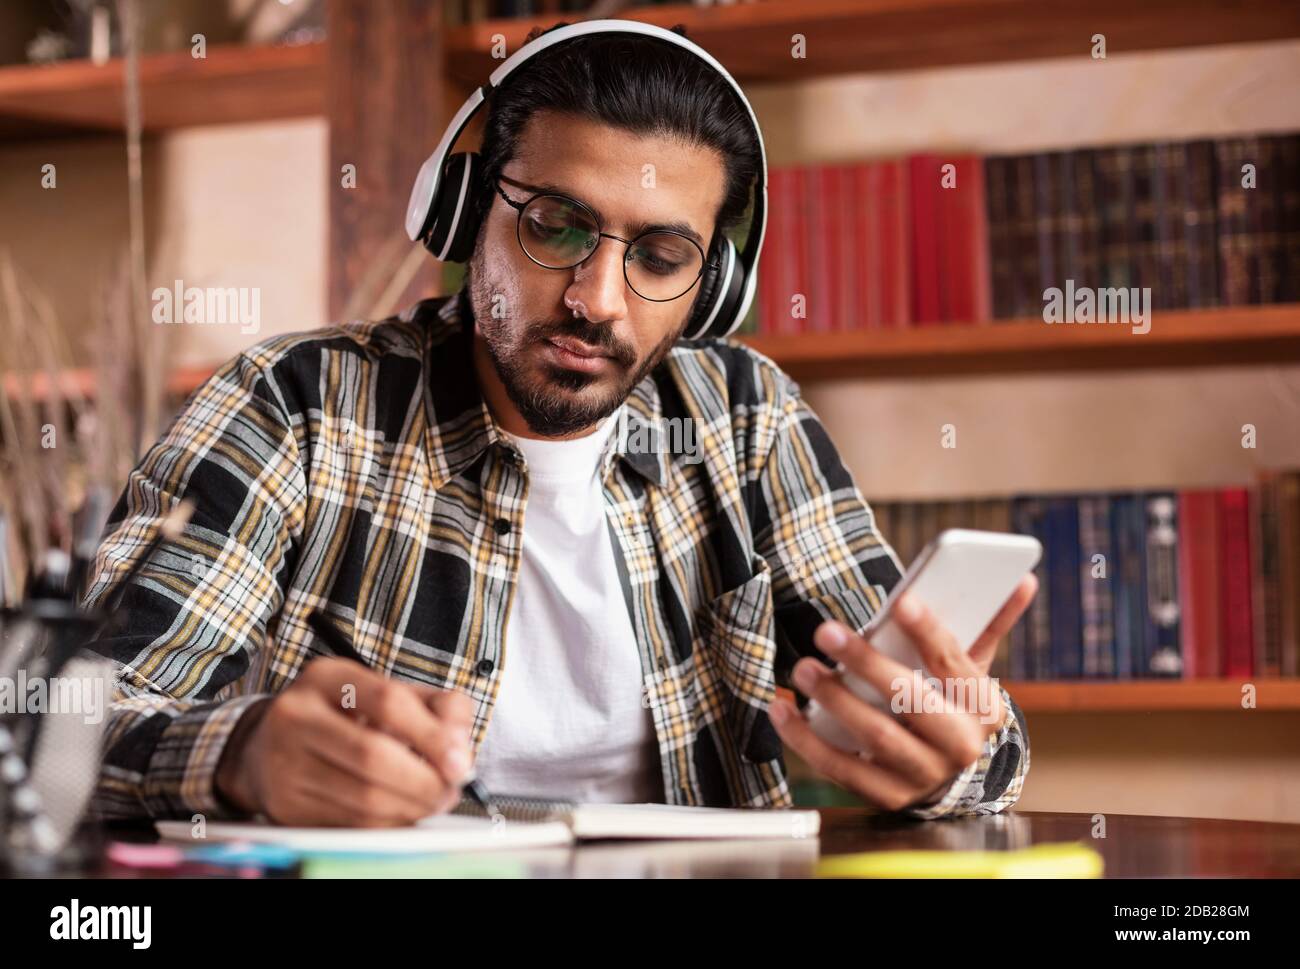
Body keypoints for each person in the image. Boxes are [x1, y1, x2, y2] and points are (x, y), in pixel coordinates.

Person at [81, 21, 1035, 826]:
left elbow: (973, 742)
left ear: (713, 289)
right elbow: (69, 725)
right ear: (461, 213)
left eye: (661, 256)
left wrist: (948, 759)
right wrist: (242, 753)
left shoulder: (750, 421)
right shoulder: (294, 406)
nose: (598, 300)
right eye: (556, 226)